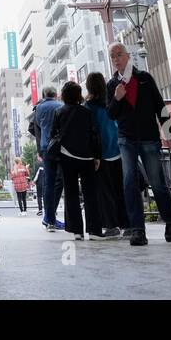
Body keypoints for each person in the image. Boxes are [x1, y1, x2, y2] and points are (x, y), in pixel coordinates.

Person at [106, 42, 171, 247]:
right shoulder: (112, 85)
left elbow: (160, 106)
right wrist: (117, 99)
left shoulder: (144, 78)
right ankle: (137, 230)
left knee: (157, 182)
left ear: (127, 56)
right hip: (126, 138)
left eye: (119, 55)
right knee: (129, 183)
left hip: (148, 137)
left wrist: (169, 134)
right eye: (113, 57)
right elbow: (110, 114)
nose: (116, 59)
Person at [51, 81, 105, 241]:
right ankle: (94, 230)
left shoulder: (59, 112)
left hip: (67, 156)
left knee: (71, 193)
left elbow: (53, 134)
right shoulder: (87, 112)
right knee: (90, 193)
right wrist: (97, 156)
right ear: (78, 95)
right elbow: (95, 135)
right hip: (87, 157)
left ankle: (77, 231)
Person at [85, 71, 126, 239]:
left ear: (88, 86)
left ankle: (111, 226)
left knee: (105, 192)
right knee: (121, 190)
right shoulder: (111, 102)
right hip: (119, 150)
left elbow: (92, 132)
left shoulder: (89, 107)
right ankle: (127, 225)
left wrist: (94, 155)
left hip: (101, 154)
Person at [29, 87, 64, 231]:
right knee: (60, 180)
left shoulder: (38, 109)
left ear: (44, 95)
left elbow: (32, 128)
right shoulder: (60, 106)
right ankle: (50, 217)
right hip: (61, 148)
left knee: (48, 183)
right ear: (55, 95)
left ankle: (49, 219)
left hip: (45, 148)